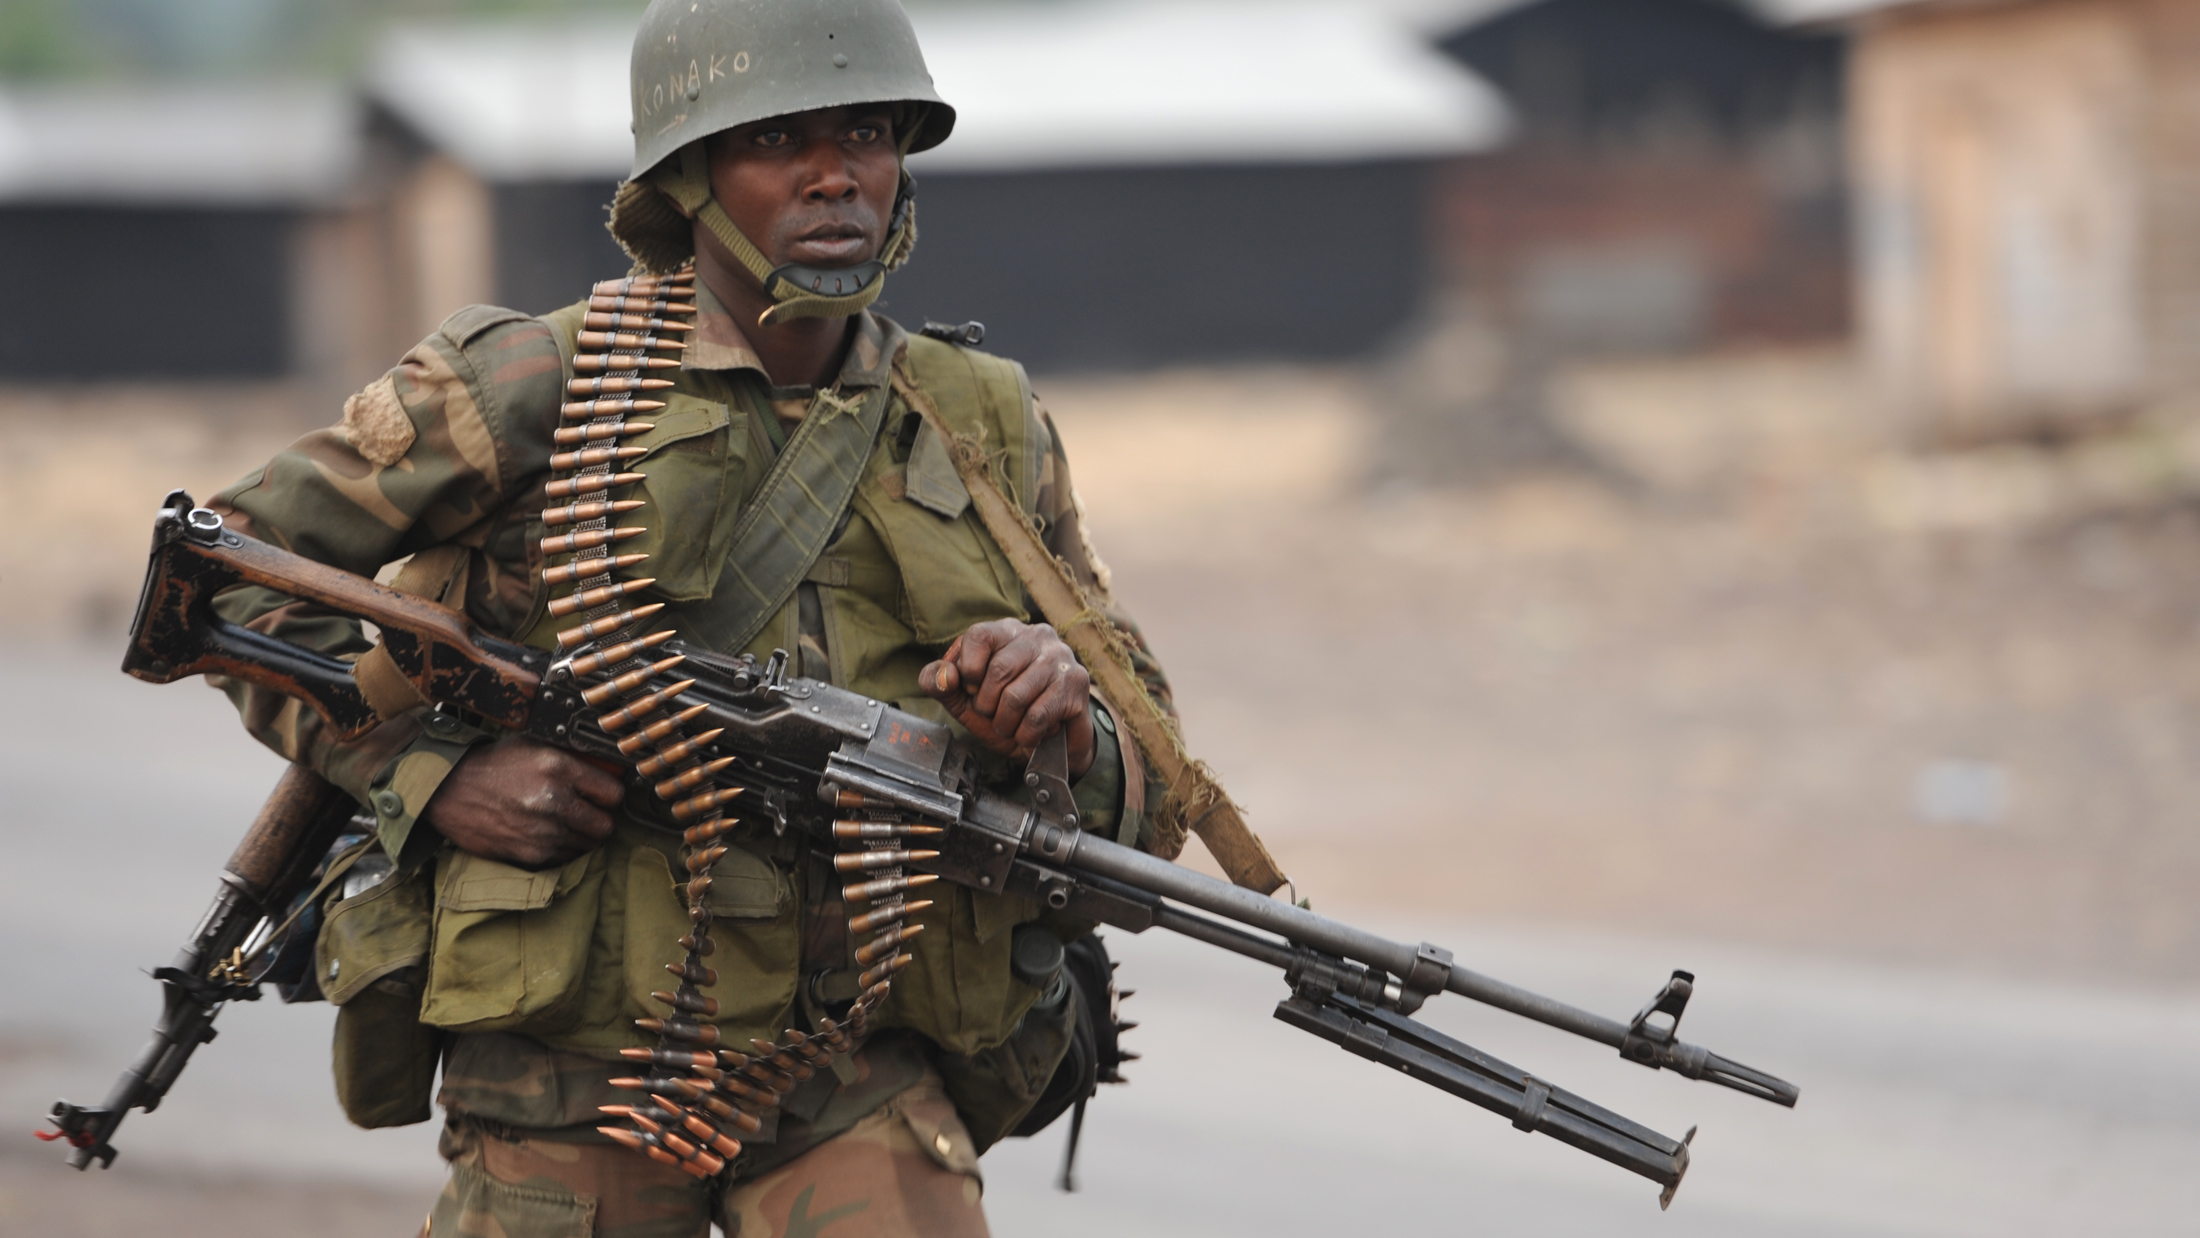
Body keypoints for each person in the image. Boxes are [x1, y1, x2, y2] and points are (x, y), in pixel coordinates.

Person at [207, 1, 1169, 1233]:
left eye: (867, 133)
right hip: (576, 1061)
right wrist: (430, 771)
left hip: (855, 1051)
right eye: (777, 139)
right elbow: (230, 571)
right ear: (687, 175)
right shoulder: (538, 383)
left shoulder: (981, 419)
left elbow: (1154, 791)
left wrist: (1062, 723)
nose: (835, 175)